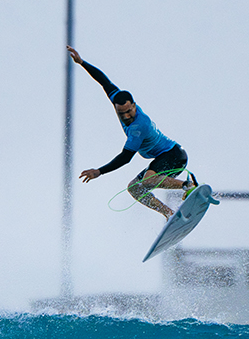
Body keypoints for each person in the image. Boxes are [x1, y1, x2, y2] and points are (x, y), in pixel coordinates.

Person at [69, 46, 197, 220]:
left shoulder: (139, 126)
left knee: (148, 181)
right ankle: (168, 213)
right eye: (123, 113)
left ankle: (189, 185)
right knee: (134, 189)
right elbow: (104, 81)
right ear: (116, 108)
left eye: (130, 110)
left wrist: (99, 171)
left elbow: (126, 157)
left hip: (174, 155)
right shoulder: (117, 100)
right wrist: (82, 62)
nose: (127, 115)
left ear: (134, 105)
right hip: (161, 158)